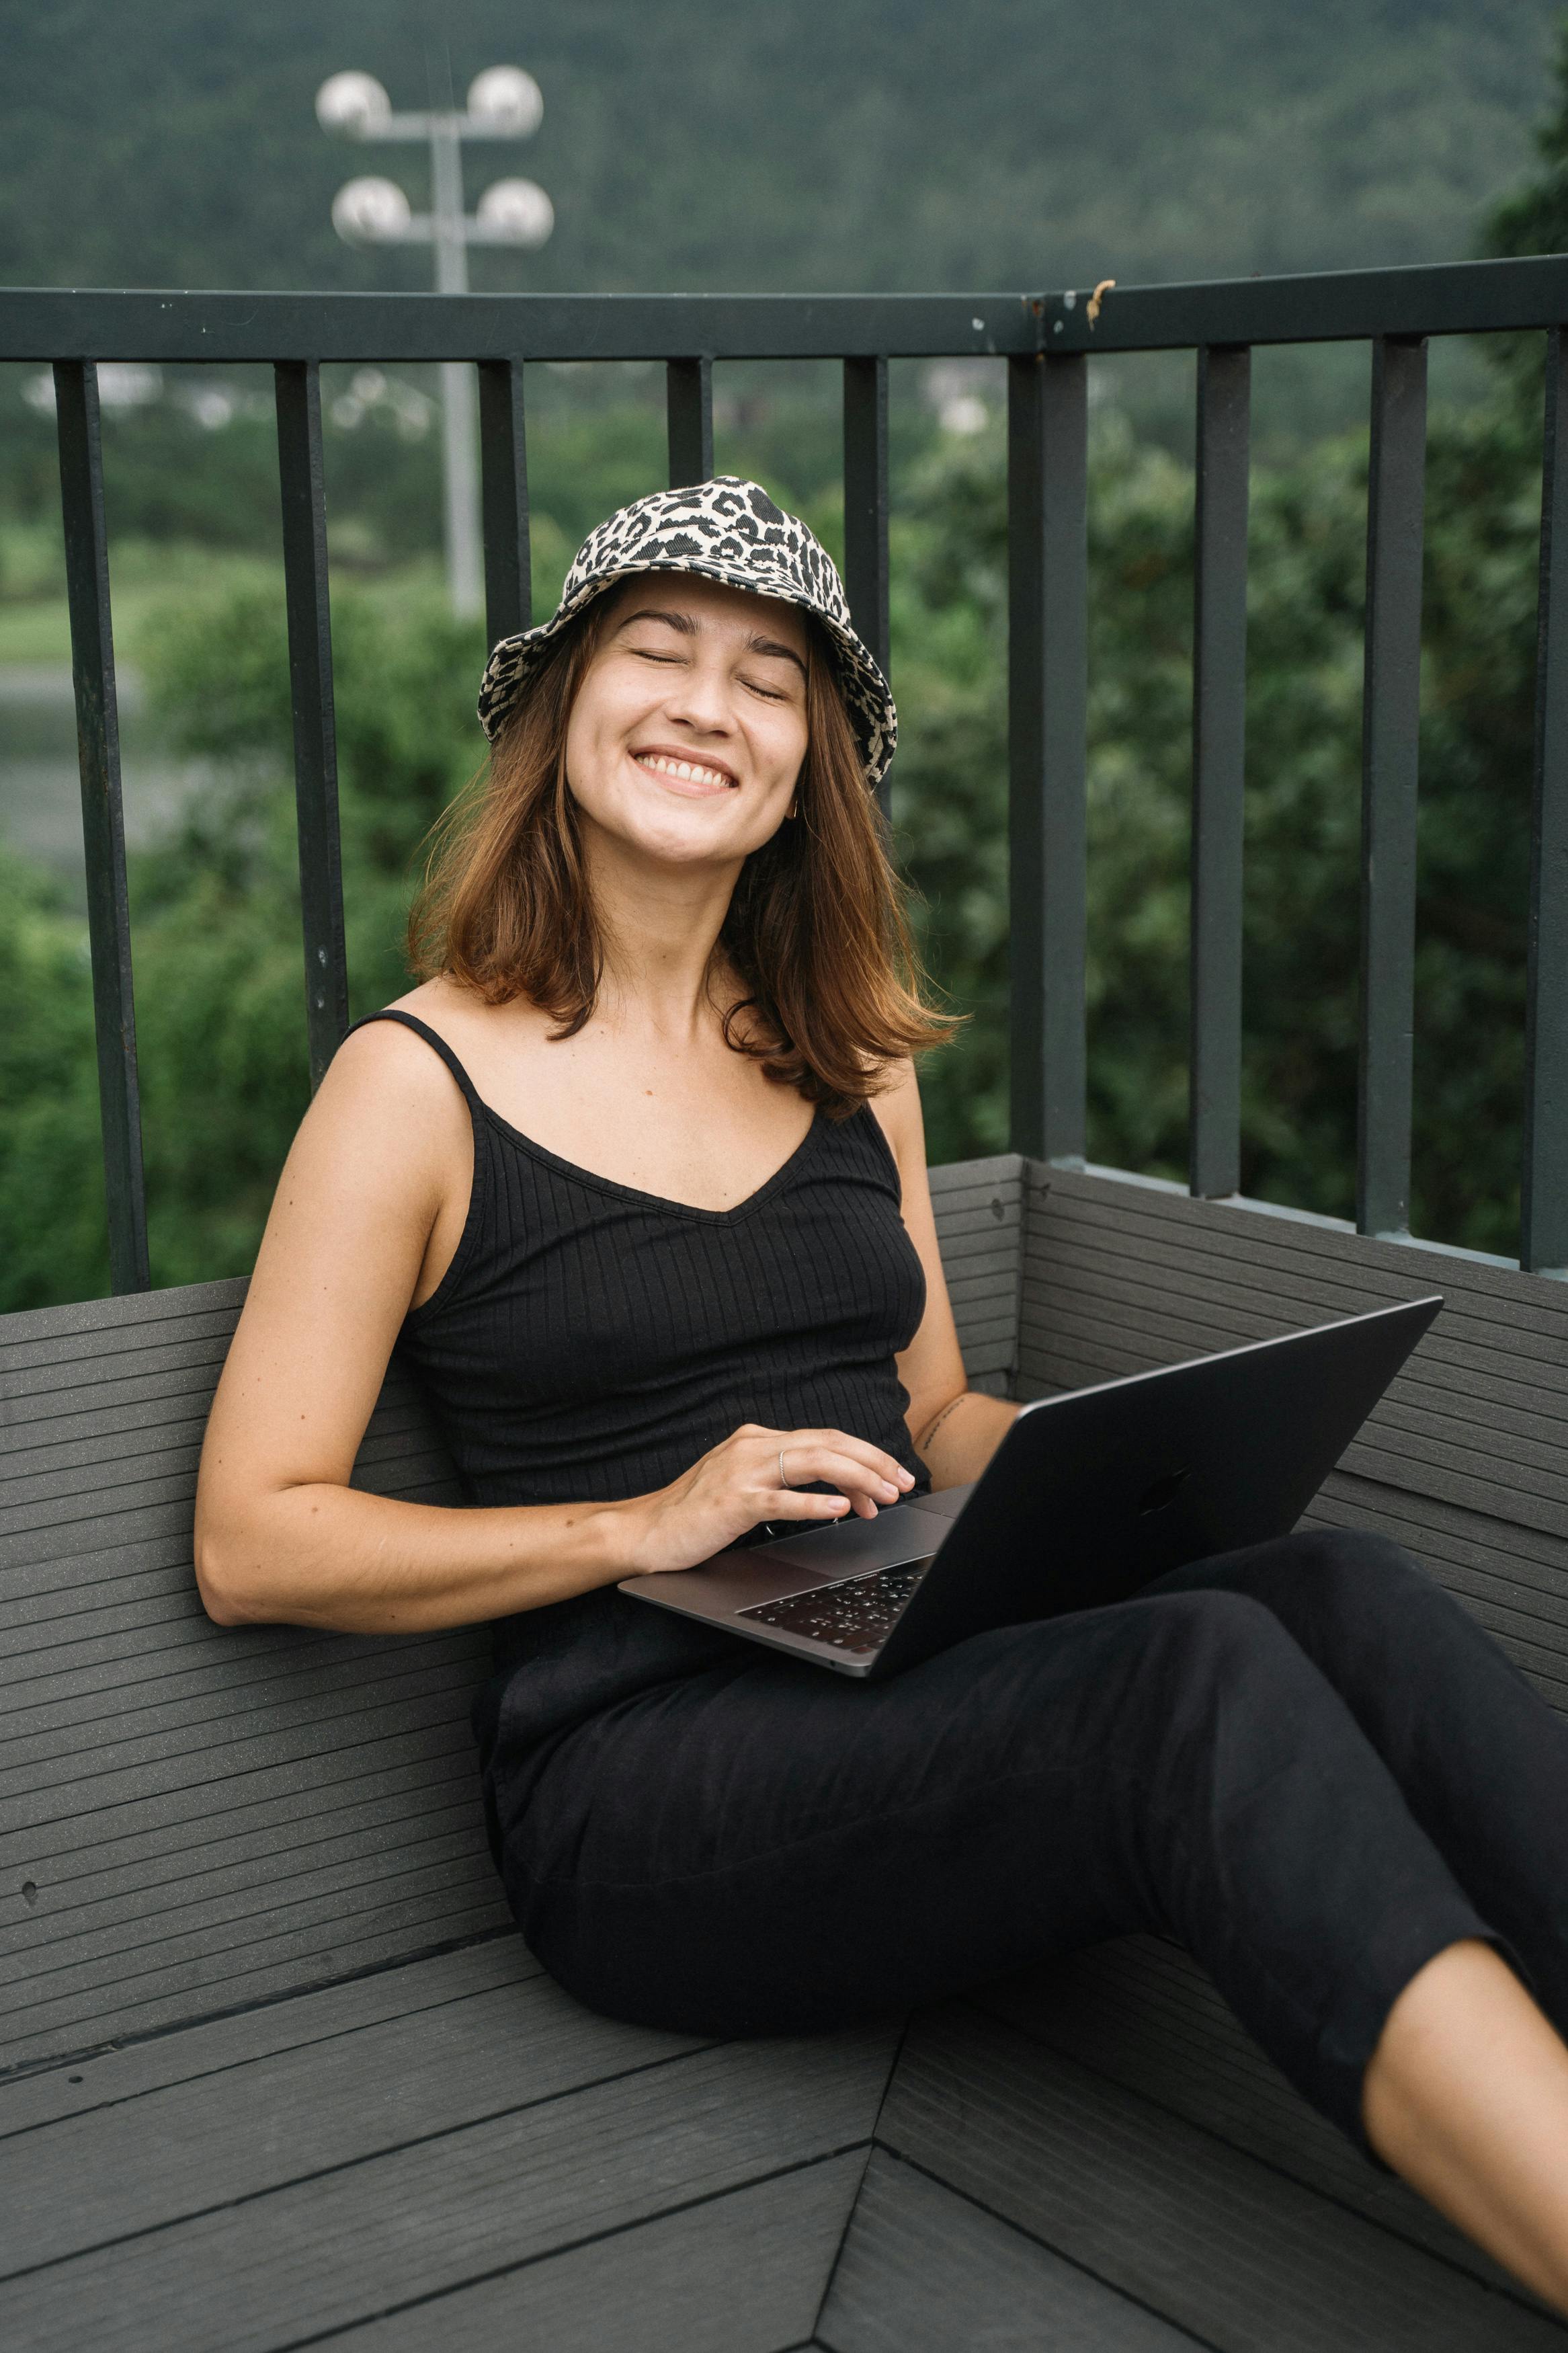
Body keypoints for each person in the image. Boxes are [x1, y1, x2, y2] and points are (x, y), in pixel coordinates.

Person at [196, 475, 1568, 2314]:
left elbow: (931, 1416)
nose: (707, 703)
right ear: (561, 712)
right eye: (656, 649)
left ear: (809, 767)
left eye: (770, 680)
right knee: (1195, 1678)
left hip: (887, 1650)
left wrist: (1130, 1472)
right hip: (643, 1775)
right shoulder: (416, 1082)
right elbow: (251, 1537)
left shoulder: (849, 1062)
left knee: (1340, 1591)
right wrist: (648, 1521)